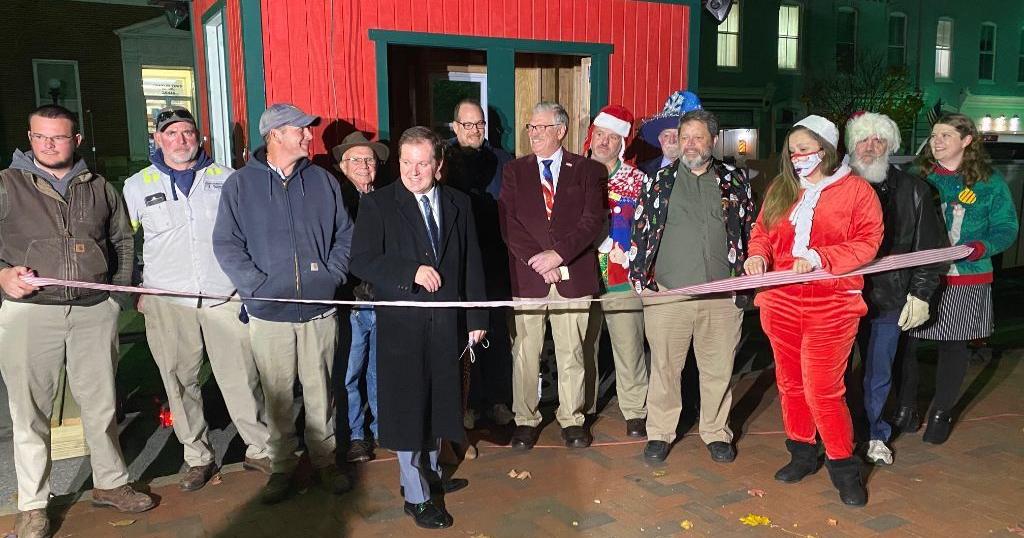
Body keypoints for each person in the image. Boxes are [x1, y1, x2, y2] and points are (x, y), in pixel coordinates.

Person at [0, 105, 154, 538]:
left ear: (77, 140)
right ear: (29, 137)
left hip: (93, 311)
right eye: (40, 136)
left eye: (59, 137)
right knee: (30, 412)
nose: (49, 144)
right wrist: (2, 275)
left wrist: (115, 297)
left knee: (101, 404)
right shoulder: (7, 184)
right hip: (31, 313)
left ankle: (110, 483)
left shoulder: (100, 187)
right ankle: (33, 505)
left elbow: (123, 241)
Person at [123, 106, 272, 490]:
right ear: (158, 139)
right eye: (171, 133)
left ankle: (260, 449)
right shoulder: (137, 185)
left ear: (200, 137)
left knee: (242, 377)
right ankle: (197, 457)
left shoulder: (228, 179)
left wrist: (248, 284)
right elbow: (123, 242)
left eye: (187, 132)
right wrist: (136, 287)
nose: (180, 140)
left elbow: (251, 234)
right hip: (168, 300)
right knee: (179, 381)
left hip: (225, 295)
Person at [213, 103, 354, 504]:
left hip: (319, 310)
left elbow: (345, 234)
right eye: (301, 130)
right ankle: (282, 466)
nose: (309, 136)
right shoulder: (240, 185)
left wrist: (331, 276)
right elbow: (226, 244)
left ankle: (325, 461)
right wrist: (257, 287)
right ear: (275, 134)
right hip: (269, 314)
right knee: (276, 396)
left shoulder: (323, 181)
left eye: (308, 129)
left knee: (321, 392)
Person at [350, 126, 487, 530]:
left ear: (438, 165)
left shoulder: (459, 203)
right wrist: (410, 271)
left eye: (422, 163)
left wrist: (476, 318)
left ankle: (429, 474)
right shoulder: (379, 204)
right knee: (409, 408)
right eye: (406, 163)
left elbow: (471, 263)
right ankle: (417, 495)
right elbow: (361, 260)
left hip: (445, 325)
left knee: (438, 403)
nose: (413, 171)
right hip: (402, 330)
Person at [744, 115, 882, 506]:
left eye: (804, 149)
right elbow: (761, 231)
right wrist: (758, 256)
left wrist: (821, 257)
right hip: (781, 302)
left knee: (824, 389)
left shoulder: (856, 191)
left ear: (827, 149)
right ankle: (802, 453)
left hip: (832, 304)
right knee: (790, 384)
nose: (797, 157)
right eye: (792, 152)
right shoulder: (781, 187)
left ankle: (843, 467)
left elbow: (868, 242)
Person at [630, 109, 753, 464]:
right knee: (665, 369)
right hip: (669, 295)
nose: (690, 144)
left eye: (698, 137)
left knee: (718, 369)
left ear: (713, 140)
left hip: (721, 295)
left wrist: (747, 279)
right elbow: (641, 230)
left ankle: (716, 431)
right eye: (685, 137)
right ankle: (660, 432)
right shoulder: (659, 181)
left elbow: (750, 230)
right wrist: (642, 281)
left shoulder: (734, 180)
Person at [898, 113, 1019, 444]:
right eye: (934, 135)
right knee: (907, 342)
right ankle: (906, 407)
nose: (936, 141)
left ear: (966, 141)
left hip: (966, 279)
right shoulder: (917, 177)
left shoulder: (990, 182)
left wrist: (980, 248)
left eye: (946, 135)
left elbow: (1007, 228)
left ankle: (941, 412)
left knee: (953, 346)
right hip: (922, 277)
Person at [499, 102, 606, 450]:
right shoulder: (515, 170)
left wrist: (558, 255)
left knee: (572, 351)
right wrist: (537, 260)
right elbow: (508, 222)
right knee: (525, 352)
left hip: (573, 276)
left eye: (541, 127)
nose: (533, 134)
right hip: (528, 277)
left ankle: (572, 419)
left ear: (560, 131)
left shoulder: (588, 170)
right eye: (530, 127)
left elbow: (592, 221)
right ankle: (525, 419)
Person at [843, 111, 948, 465]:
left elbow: (930, 249)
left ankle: (875, 433)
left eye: (879, 140)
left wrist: (920, 293)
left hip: (888, 299)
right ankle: (838, 434)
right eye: (863, 139)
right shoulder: (834, 187)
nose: (871, 146)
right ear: (852, 145)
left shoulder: (915, 190)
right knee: (834, 372)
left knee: (879, 373)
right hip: (839, 298)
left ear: (891, 146)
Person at [444, 98, 515, 428]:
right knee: (463, 334)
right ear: (455, 126)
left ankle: (498, 401)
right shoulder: (443, 160)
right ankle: (467, 403)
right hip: (458, 265)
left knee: (497, 333)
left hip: (495, 261)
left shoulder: (504, 161)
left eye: (480, 124)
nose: (474, 130)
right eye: (468, 124)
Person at [581, 104, 649, 438]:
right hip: (581, 277)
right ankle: (583, 408)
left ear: (622, 142)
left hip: (622, 279)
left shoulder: (637, 180)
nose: (604, 142)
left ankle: (635, 410)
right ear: (591, 136)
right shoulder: (574, 175)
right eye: (600, 134)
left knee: (629, 346)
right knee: (584, 347)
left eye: (612, 137)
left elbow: (648, 229)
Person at [331, 131, 388, 463]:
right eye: (357, 159)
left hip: (382, 300)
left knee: (379, 371)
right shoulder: (336, 202)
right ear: (343, 166)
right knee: (350, 373)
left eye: (370, 159)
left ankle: (381, 428)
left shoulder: (387, 199)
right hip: (351, 301)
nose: (365, 165)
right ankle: (355, 435)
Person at [637, 90, 703, 178]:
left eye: (677, 135)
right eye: (666, 135)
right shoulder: (642, 171)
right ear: (660, 139)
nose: (672, 140)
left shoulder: (704, 171)